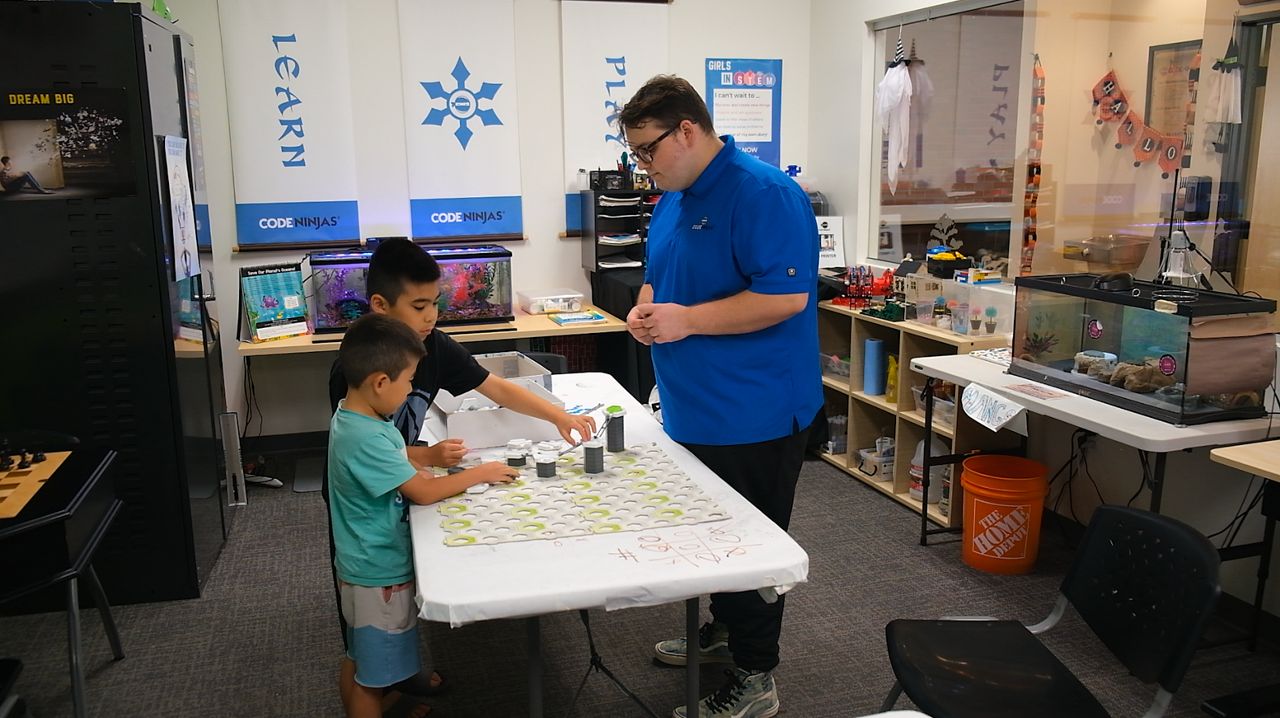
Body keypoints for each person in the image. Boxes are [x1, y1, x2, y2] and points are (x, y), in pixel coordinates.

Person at [618, 75, 821, 718]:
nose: (642, 167)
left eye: (648, 151)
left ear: (687, 130)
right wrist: (646, 311)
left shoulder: (764, 193)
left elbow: (785, 296)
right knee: (710, 539)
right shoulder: (673, 196)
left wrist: (686, 321)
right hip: (692, 406)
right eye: (635, 156)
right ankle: (728, 631)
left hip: (754, 411)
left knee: (752, 550)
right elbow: (660, 278)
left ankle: (756, 679)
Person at [324, 237, 597, 708]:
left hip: (396, 494)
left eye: (436, 303)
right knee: (370, 617)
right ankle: (378, 679)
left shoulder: (433, 345)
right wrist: (449, 468)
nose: (432, 317)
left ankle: (393, 671)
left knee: (393, 613)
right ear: (380, 306)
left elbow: (496, 388)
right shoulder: (353, 374)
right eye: (419, 305)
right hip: (368, 516)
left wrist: (557, 415)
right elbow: (366, 451)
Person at [328, 313, 521, 718]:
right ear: (381, 382)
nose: (413, 388)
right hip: (377, 575)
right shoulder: (368, 436)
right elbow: (423, 492)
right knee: (370, 680)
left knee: (361, 656)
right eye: (409, 381)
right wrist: (480, 473)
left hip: (361, 568)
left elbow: (395, 469)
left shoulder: (354, 418)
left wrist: (417, 463)